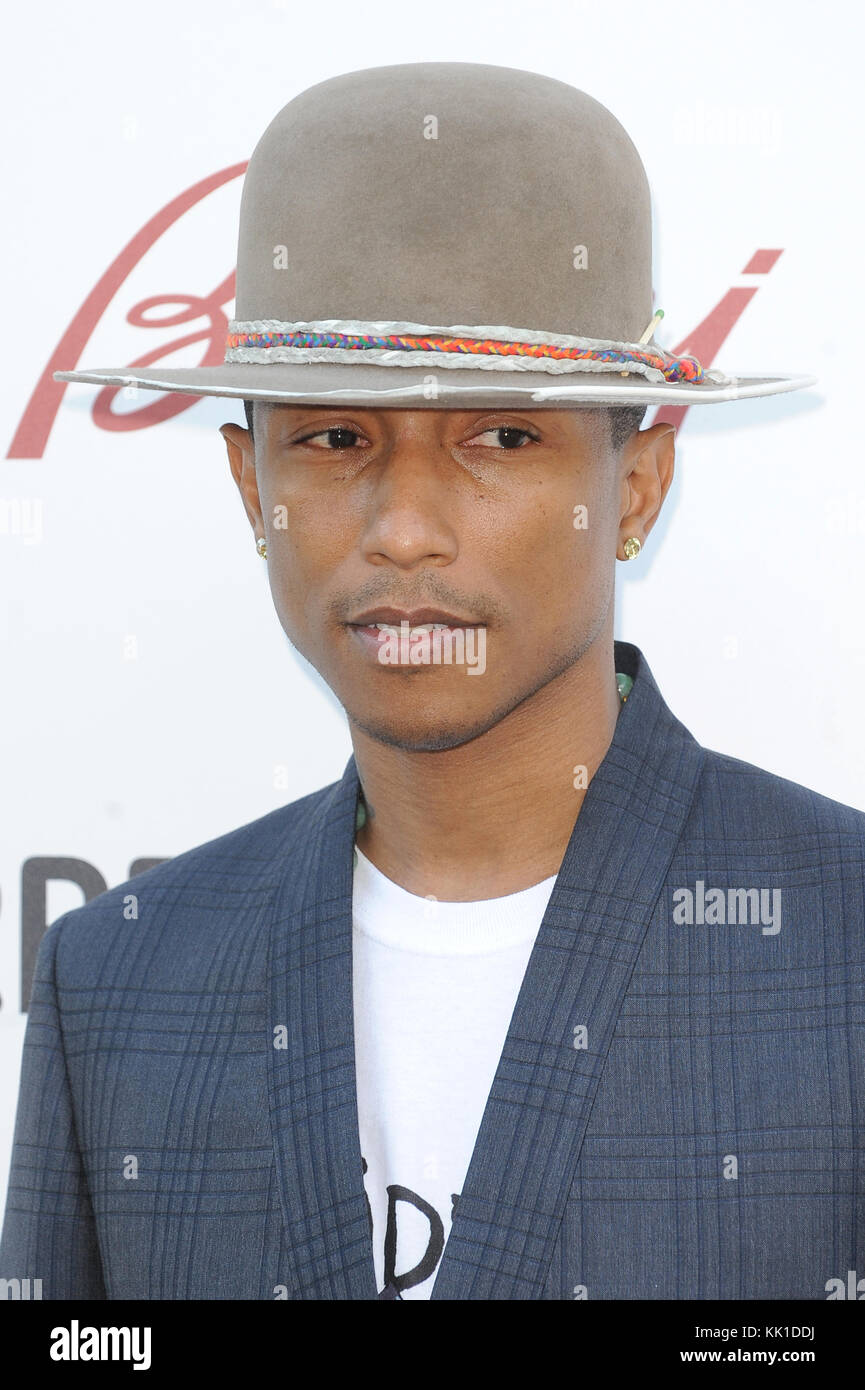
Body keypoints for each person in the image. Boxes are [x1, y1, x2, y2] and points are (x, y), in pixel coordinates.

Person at [2, 62, 861, 1301]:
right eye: (335, 438)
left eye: (501, 435)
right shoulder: (119, 981)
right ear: (254, 489)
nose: (404, 528)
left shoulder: (843, 945)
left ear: (635, 484)